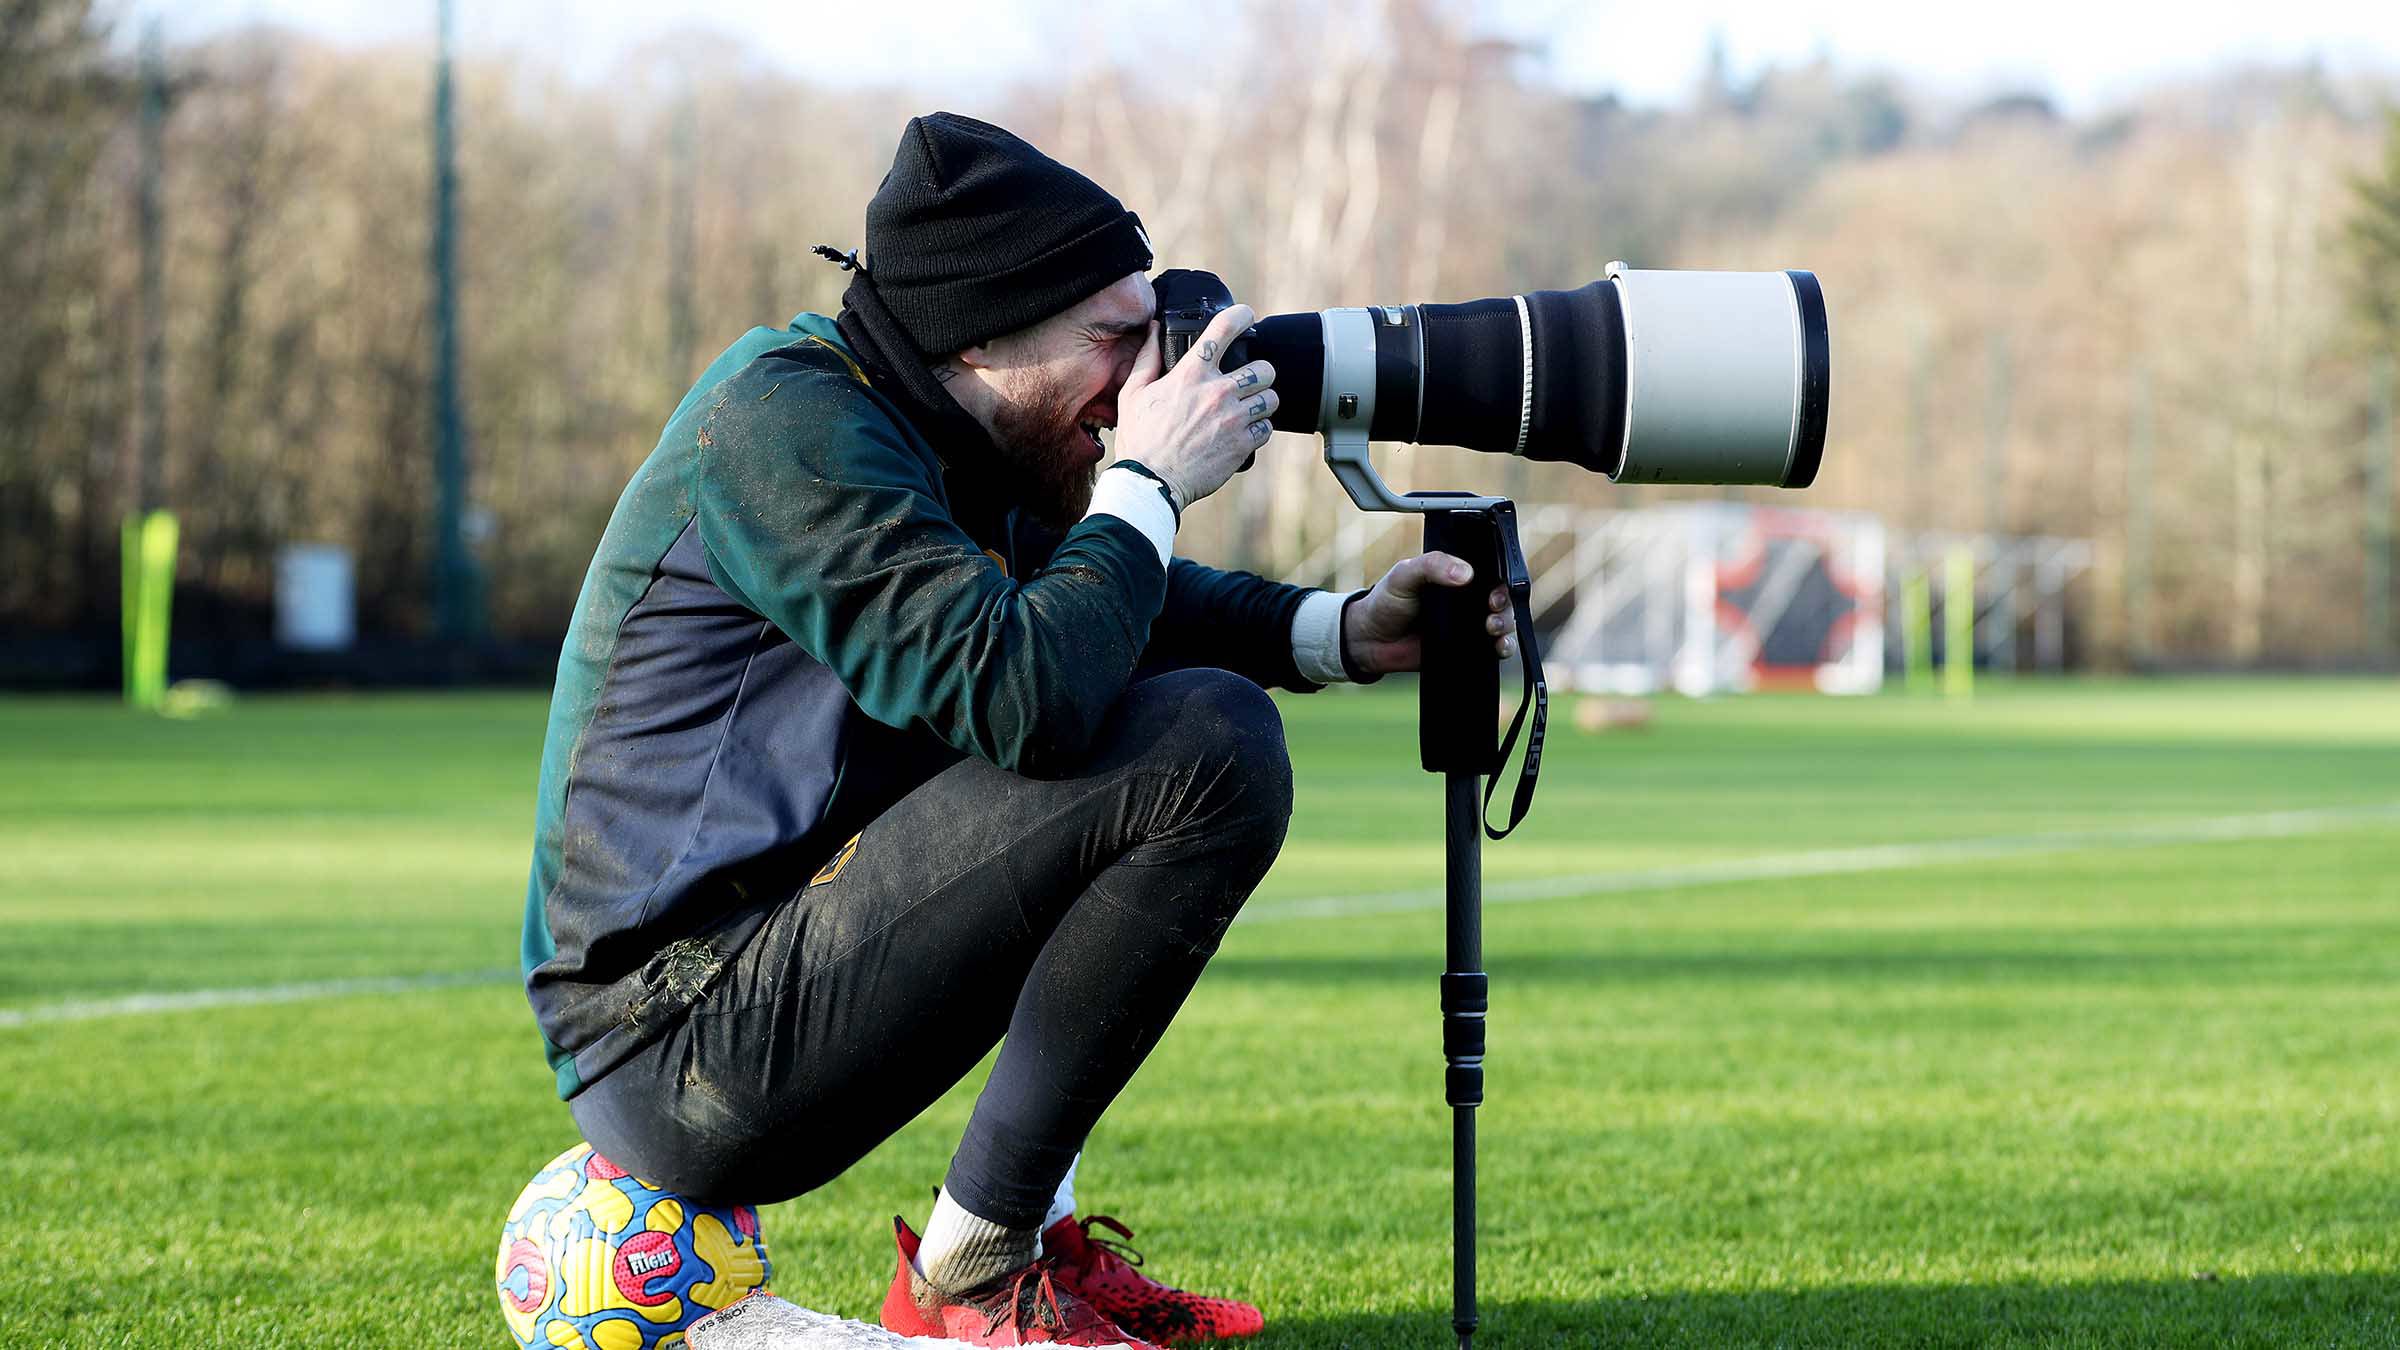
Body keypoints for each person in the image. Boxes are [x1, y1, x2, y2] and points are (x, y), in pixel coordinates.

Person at [518, 112, 1514, 1348]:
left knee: (1176, 710)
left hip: (772, 970)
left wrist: (1346, 630)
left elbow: (1115, 614)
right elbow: (1022, 691)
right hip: (676, 1029)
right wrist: (1146, 485)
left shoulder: (940, 434)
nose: (1140, 375)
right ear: (979, 333)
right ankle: (977, 1280)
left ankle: (1021, 1246)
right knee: (1203, 744)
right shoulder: (788, 427)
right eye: (1113, 337)